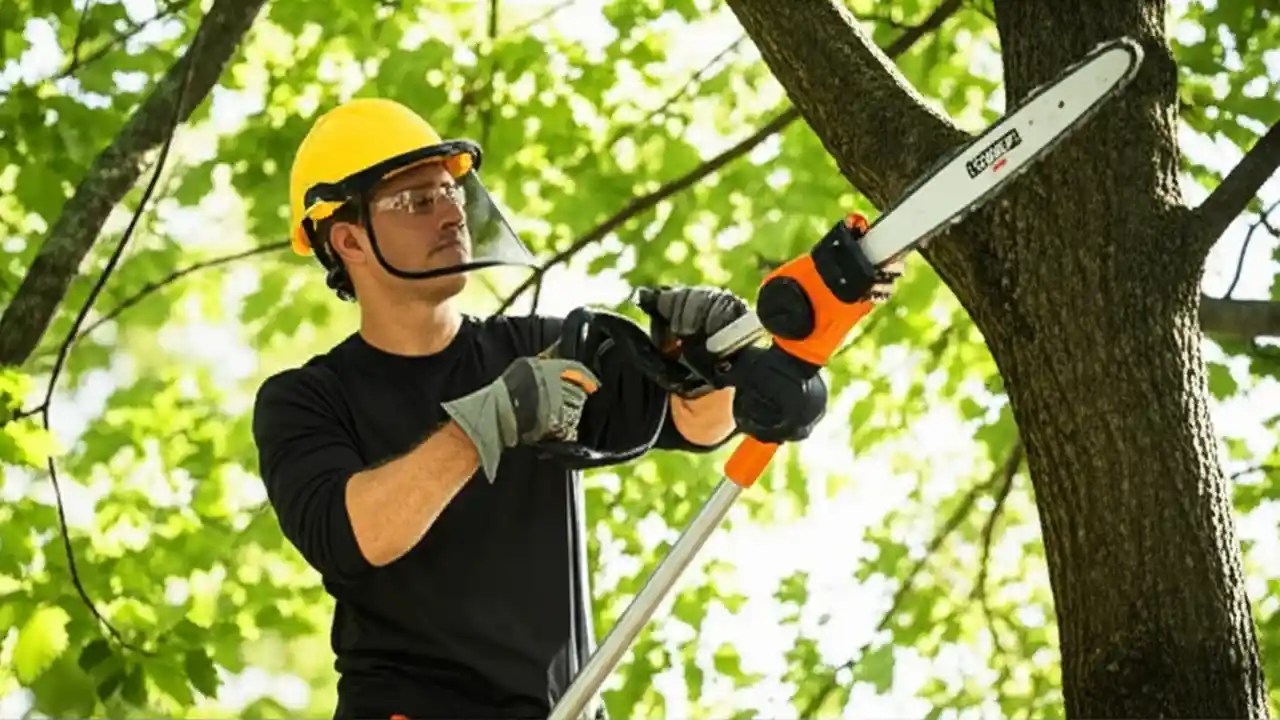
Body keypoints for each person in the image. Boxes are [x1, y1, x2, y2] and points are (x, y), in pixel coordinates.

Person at [251, 97, 772, 720]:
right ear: (350, 240)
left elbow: (698, 424)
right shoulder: (305, 400)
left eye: (451, 193)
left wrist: (705, 364)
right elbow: (359, 535)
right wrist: (487, 423)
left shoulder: (538, 349)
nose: (450, 214)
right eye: (419, 202)